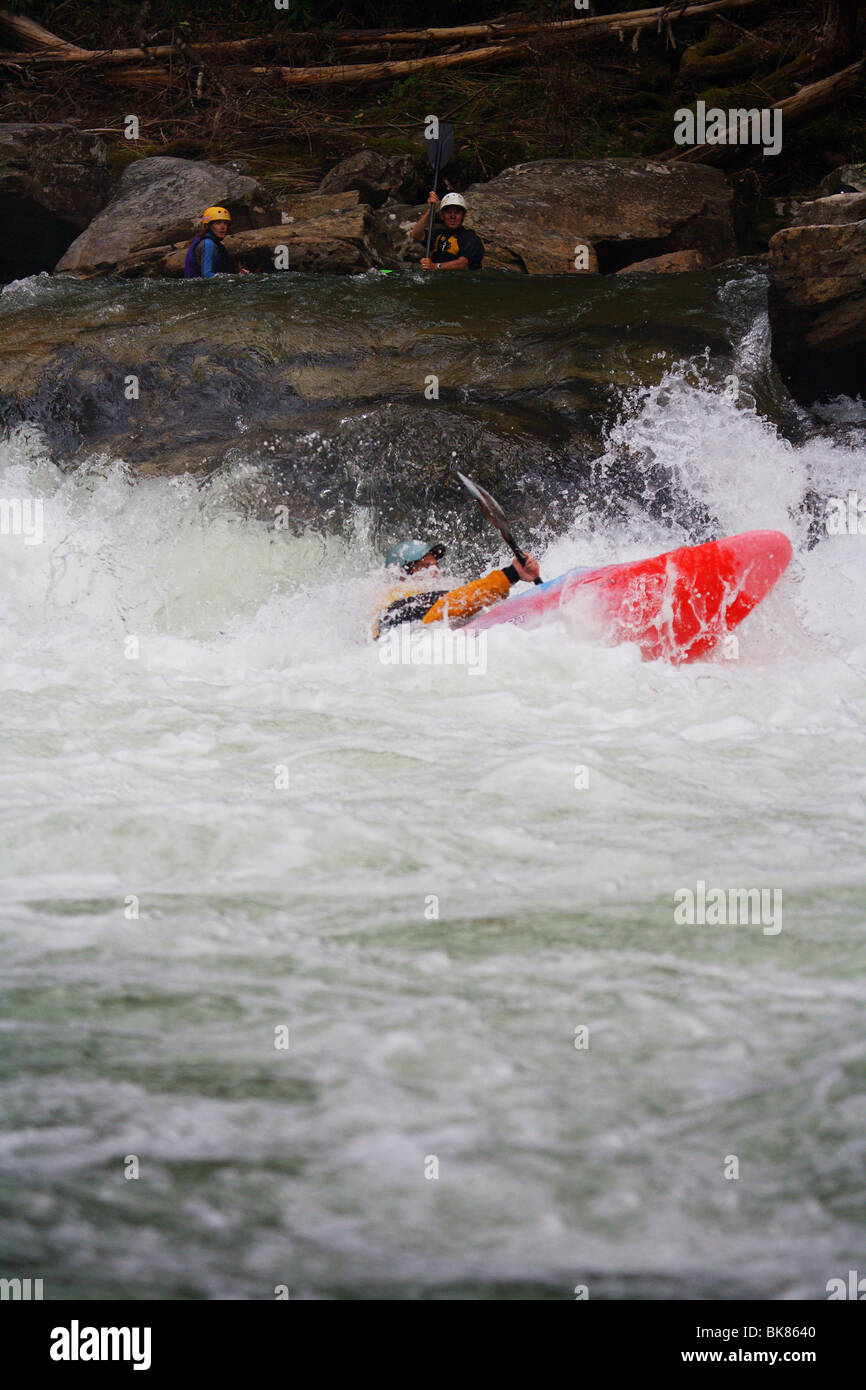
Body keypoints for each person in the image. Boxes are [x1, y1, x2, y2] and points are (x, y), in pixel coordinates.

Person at [372, 538, 539, 640]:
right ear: (402, 574)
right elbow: (448, 604)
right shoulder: (399, 601)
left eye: (436, 565)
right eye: (425, 566)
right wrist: (511, 575)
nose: (436, 571)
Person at [412, 192, 484, 272]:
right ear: (442, 216)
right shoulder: (437, 235)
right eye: (449, 212)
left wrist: (435, 266)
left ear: (463, 216)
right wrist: (430, 210)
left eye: (457, 213)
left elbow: (462, 264)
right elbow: (416, 234)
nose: (452, 216)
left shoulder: (470, 238)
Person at [184, 206, 248, 278]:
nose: (223, 227)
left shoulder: (208, 241)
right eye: (218, 223)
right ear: (208, 226)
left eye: (225, 223)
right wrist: (234, 278)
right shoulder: (208, 243)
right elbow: (207, 274)